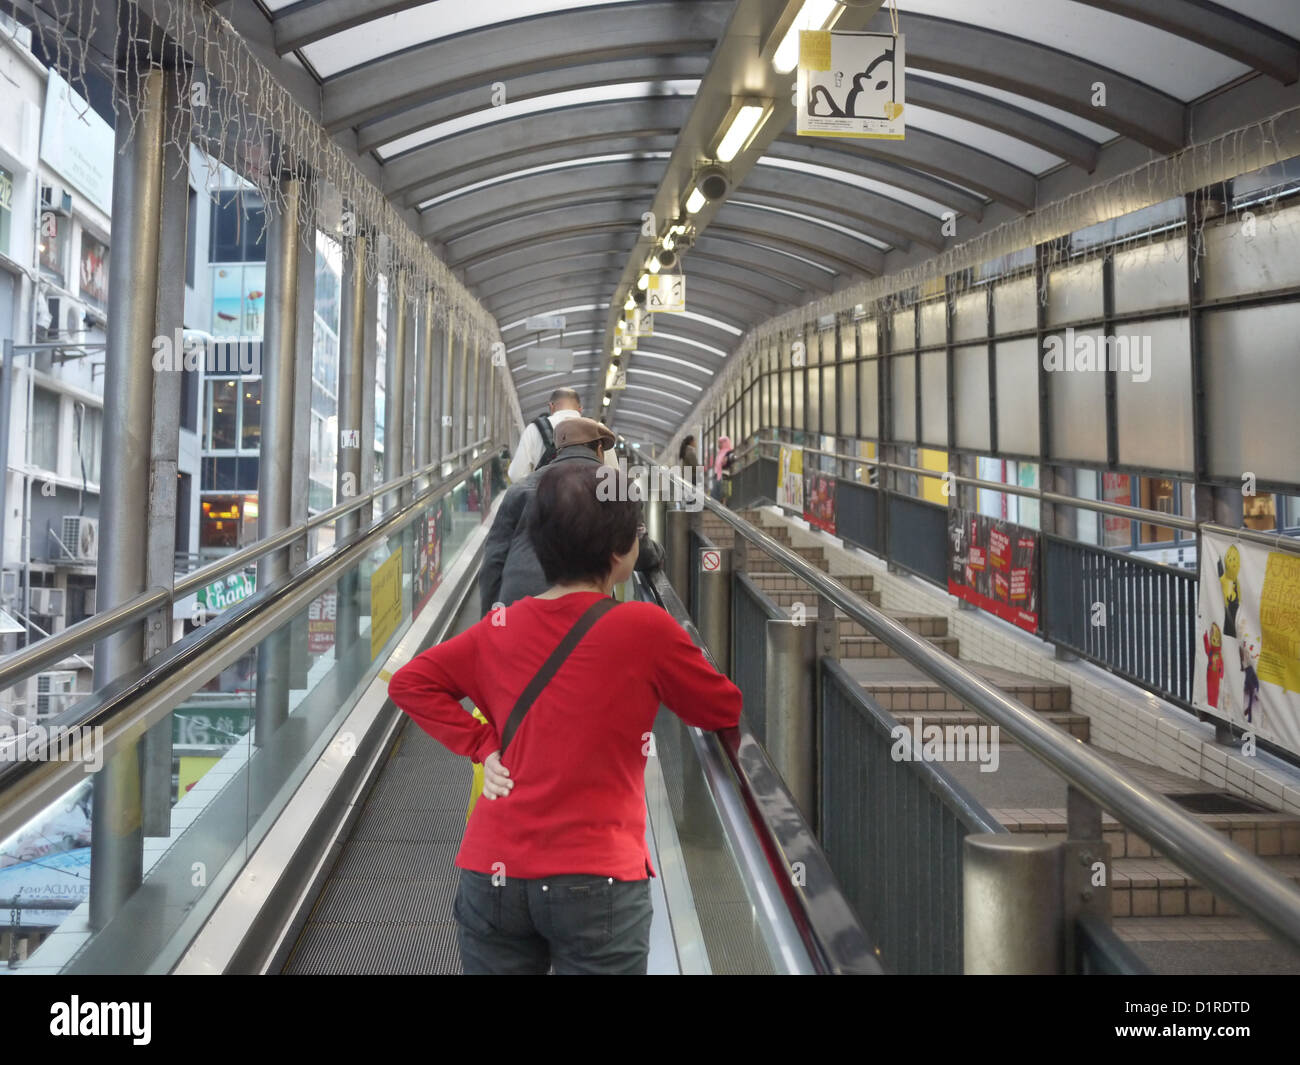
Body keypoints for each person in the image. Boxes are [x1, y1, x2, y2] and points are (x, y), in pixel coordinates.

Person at [388, 462, 743, 975]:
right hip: (596, 878)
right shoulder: (645, 628)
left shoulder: (499, 627)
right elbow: (721, 707)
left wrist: (482, 746)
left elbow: (410, 683)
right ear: (622, 552)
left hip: (492, 872)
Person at [480, 417, 664, 615]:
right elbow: (638, 550)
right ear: (600, 449)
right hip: (582, 615)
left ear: (558, 450)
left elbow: (494, 559)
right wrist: (659, 553)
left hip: (515, 609)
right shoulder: (617, 487)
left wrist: (491, 619)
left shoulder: (520, 488)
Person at [507, 387, 582, 483]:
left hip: (548, 495)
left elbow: (516, 475)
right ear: (580, 409)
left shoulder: (535, 429)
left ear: (551, 406)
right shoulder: (597, 430)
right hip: (587, 495)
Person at [711, 434, 734, 501]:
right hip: (717, 476)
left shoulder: (729, 452)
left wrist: (725, 461)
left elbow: (727, 463)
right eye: (719, 443)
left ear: (724, 443)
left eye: (720, 443)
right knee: (716, 492)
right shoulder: (720, 453)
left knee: (724, 492)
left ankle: (724, 505)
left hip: (725, 475)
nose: (719, 445)